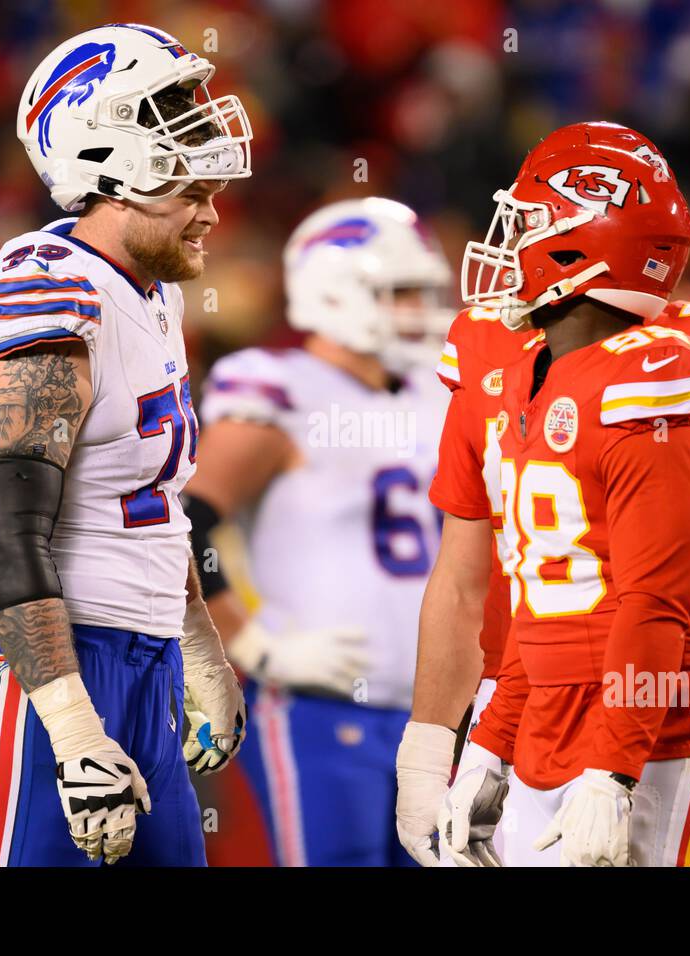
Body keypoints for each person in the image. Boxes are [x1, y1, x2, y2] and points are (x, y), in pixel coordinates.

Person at [397, 123, 690, 867]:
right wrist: (462, 743)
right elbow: (515, 587)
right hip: (537, 699)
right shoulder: (518, 364)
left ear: (585, 239)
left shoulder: (675, 371)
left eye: (529, 222)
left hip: (669, 713)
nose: (507, 245)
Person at [0, 23, 250, 867]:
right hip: (44, 673)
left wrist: (196, 644)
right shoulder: (47, 287)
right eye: (190, 182)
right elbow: (9, 535)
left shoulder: (147, 293)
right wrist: (73, 727)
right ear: (112, 157)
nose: (210, 208)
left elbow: (152, 501)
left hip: (142, 662)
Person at [185, 197, 453, 865]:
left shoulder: (440, 390)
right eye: (399, 292)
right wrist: (251, 645)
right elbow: (186, 521)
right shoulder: (281, 389)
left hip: (441, 717)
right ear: (335, 294)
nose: (419, 309)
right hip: (323, 708)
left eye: (422, 291)